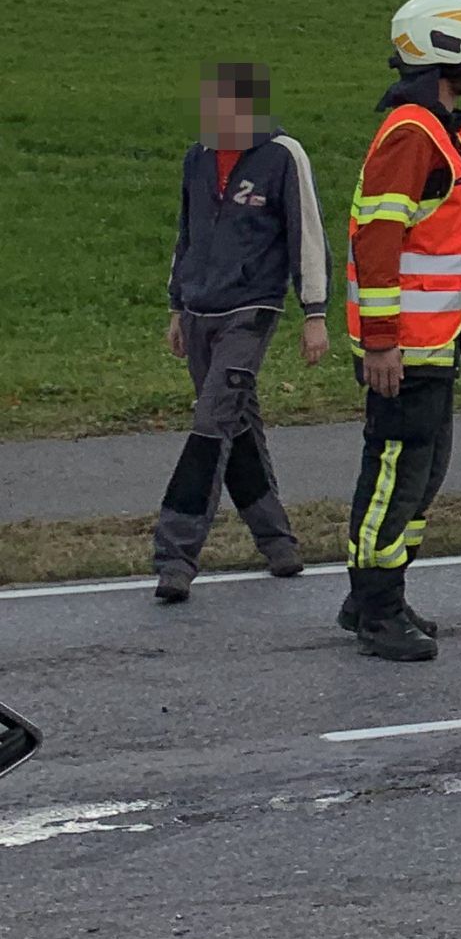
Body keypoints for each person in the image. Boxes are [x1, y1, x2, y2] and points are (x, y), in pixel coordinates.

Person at [337, 0, 461, 662]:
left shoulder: (442, 127)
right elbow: (376, 238)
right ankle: (375, 608)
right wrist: (380, 343)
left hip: (434, 340)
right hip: (402, 346)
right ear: (443, 50)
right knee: (396, 473)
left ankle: (380, 592)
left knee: (425, 473)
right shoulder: (413, 132)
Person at [153, 62, 330, 604]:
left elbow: (307, 233)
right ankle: (278, 542)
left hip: (251, 310)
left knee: (210, 424)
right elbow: (185, 234)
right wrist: (177, 307)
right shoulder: (197, 158)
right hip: (200, 309)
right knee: (236, 424)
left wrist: (314, 312)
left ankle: (175, 555)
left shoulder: (282, 155)